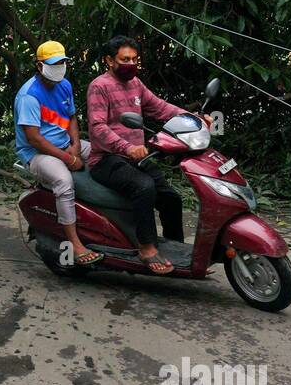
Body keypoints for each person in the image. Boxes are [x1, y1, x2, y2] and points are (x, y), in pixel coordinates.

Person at [87, 35, 207, 274]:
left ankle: (176, 248)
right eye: (125, 59)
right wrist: (127, 147)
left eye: (134, 59)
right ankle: (146, 247)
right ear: (109, 61)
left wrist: (194, 119)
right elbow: (98, 128)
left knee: (171, 198)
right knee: (144, 187)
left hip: (136, 158)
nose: (130, 63)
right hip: (106, 160)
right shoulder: (99, 86)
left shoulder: (136, 84)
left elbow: (160, 108)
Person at [15, 40, 103, 267]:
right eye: (53, 64)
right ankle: (74, 243)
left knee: (104, 153)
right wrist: (68, 158)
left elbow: (72, 117)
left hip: (65, 144)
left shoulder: (64, 85)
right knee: (64, 182)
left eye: (62, 63)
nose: (59, 67)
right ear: (39, 66)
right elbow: (34, 138)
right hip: (36, 153)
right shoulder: (29, 96)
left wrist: (74, 145)